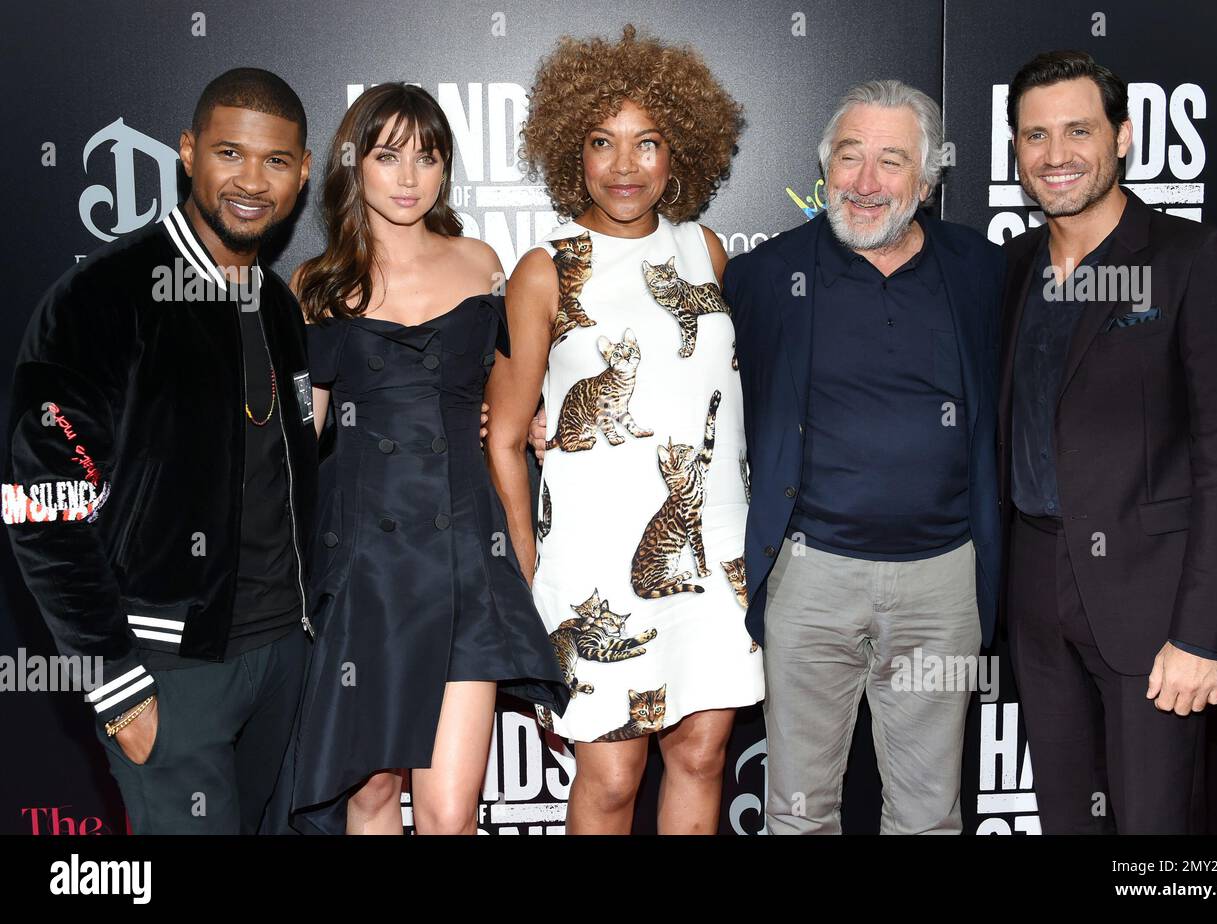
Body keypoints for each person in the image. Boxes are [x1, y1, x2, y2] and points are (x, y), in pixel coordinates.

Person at [5, 68, 315, 833]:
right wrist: (114, 683)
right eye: (229, 154)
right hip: (168, 672)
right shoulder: (102, 298)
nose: (252, 181)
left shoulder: (276, 301)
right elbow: (41, 508)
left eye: (275, 161)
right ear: (186, 153)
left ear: (304, 172)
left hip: (285, 657)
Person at [489, 26, 762, 835]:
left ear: (679, 154)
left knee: (703, 757)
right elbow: (506, 434)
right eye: (602, 142)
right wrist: (533, 572)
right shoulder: (547, 267)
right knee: (610, 779)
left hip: (716, 555)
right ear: (573, 151)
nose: (624, 166)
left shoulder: (705, 251)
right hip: (590, 565)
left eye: (647, 143)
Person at [997, 51, 1217, 833]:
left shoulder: (1195, 260)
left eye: (1078, 131)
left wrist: (1204, 635)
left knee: (1156, 833)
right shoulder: (1016, 266)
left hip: (1155, 608)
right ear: (1015, 150)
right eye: (1035, 136)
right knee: (1065, 820)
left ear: (1123, 137)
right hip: (1034, 589)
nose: (1056, 156)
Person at [285, 83, 567, 835]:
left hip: (464, 557)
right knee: (371, 789)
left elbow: (515, 395)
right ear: (355, 167)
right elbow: (297, 445)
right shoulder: (318, 285)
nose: (409, 176)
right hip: (365, 569)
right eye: (388, 156)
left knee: (450, 812)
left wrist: (541, 422)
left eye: (427, 157)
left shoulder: (482, 264)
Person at [724, 81, 1004, 834]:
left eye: (891, 161)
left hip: (943, 586)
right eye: (850, 158)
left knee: (926, 812)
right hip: (809, 581)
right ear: (825, 168)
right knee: (799, 811)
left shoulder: (983, 272)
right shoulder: (761, 278)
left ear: (927, 179)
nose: (867, 182)